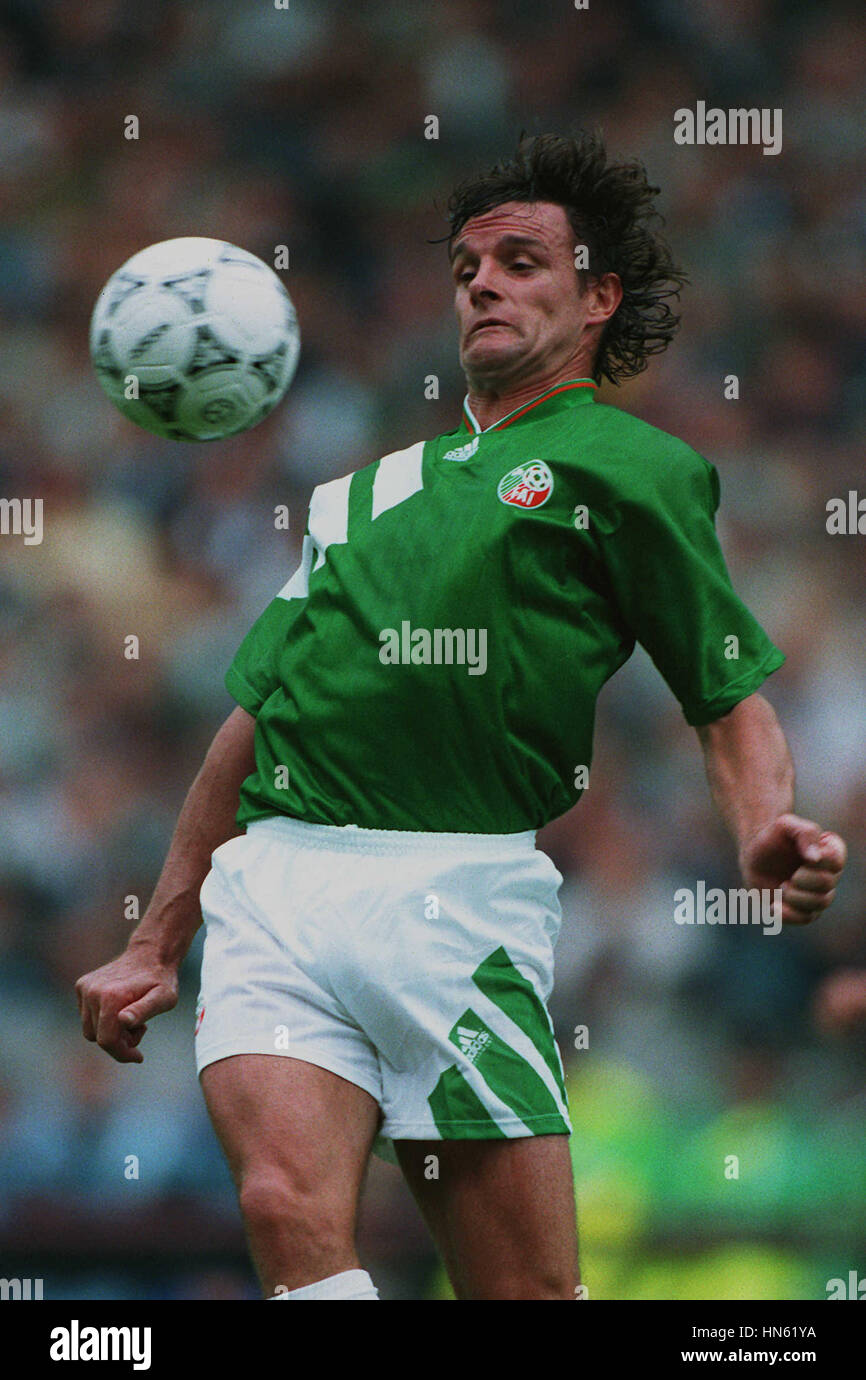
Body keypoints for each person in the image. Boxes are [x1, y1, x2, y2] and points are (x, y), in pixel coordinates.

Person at [75, 132, 847, 1301]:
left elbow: (724, 695)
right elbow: (257, 716)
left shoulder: (629, 468)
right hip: (275, 889)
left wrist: (761, 829)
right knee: (286, 1211)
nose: (480, 281)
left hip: (453, 900)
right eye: (464, 266)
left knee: (522, 1292)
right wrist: (155, 936)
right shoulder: (358, 491)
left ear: (597, 298)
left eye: (519, 260)